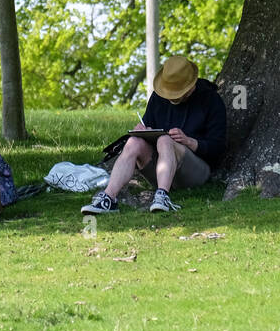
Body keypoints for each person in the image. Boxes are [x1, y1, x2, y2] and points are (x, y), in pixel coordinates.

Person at [82, 55, 227, 215]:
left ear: (190, 87)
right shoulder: (159, 97)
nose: (172, 97)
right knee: (133, 142)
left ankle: (162, 196)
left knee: (165, 140)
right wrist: (142, 132)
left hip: (196, 171)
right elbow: (147, 126)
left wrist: (189, 141)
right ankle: (109, 198)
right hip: (160, 168)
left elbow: (218, 147)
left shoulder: (211, 99)